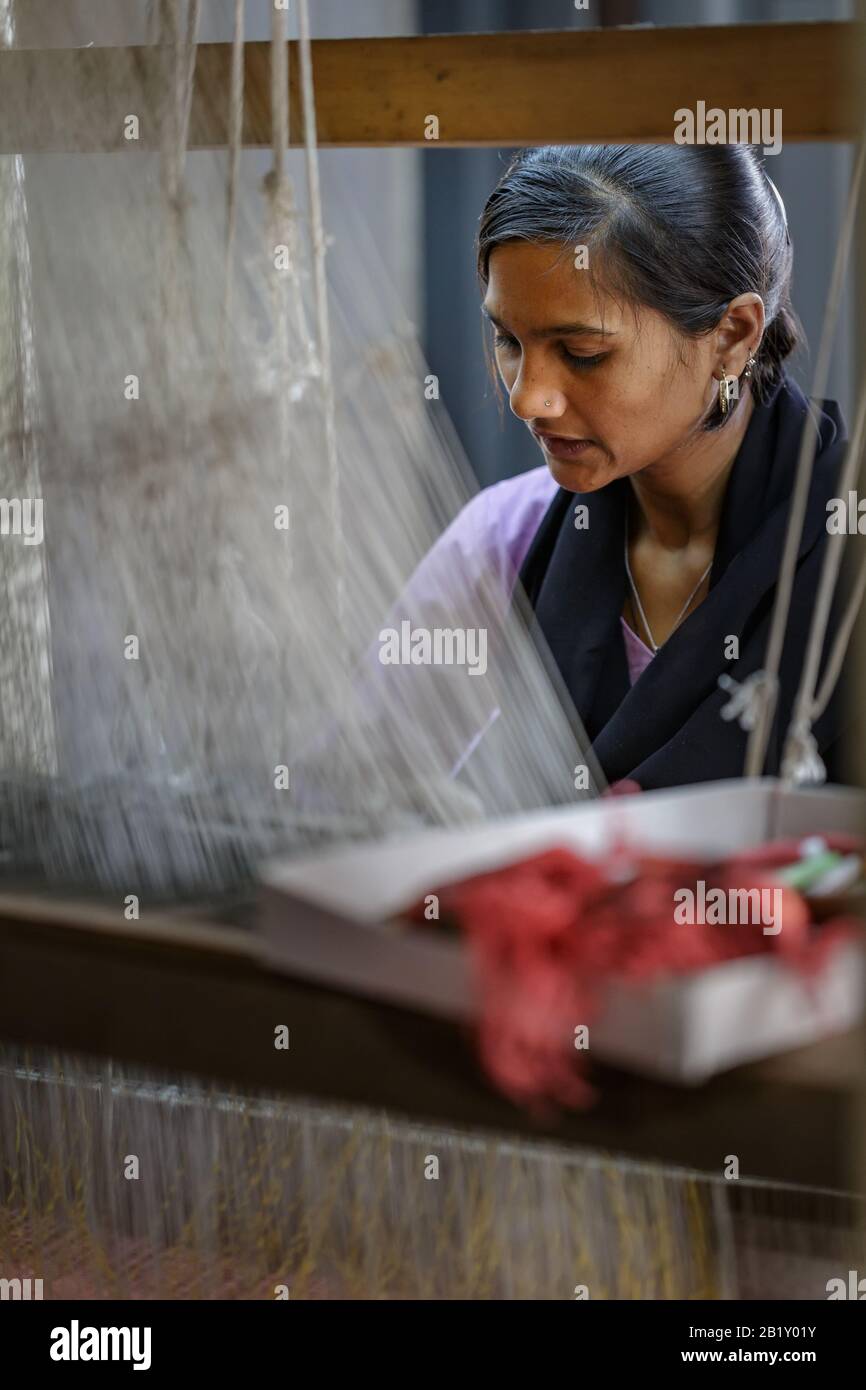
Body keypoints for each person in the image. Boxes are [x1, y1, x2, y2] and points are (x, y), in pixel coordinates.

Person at [401, 143, 853, 791]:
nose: (527, 398)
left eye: (582, 351)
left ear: (731, 337)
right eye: (508, 340)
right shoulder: (503, 538)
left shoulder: (848, 561)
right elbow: (354, 794)